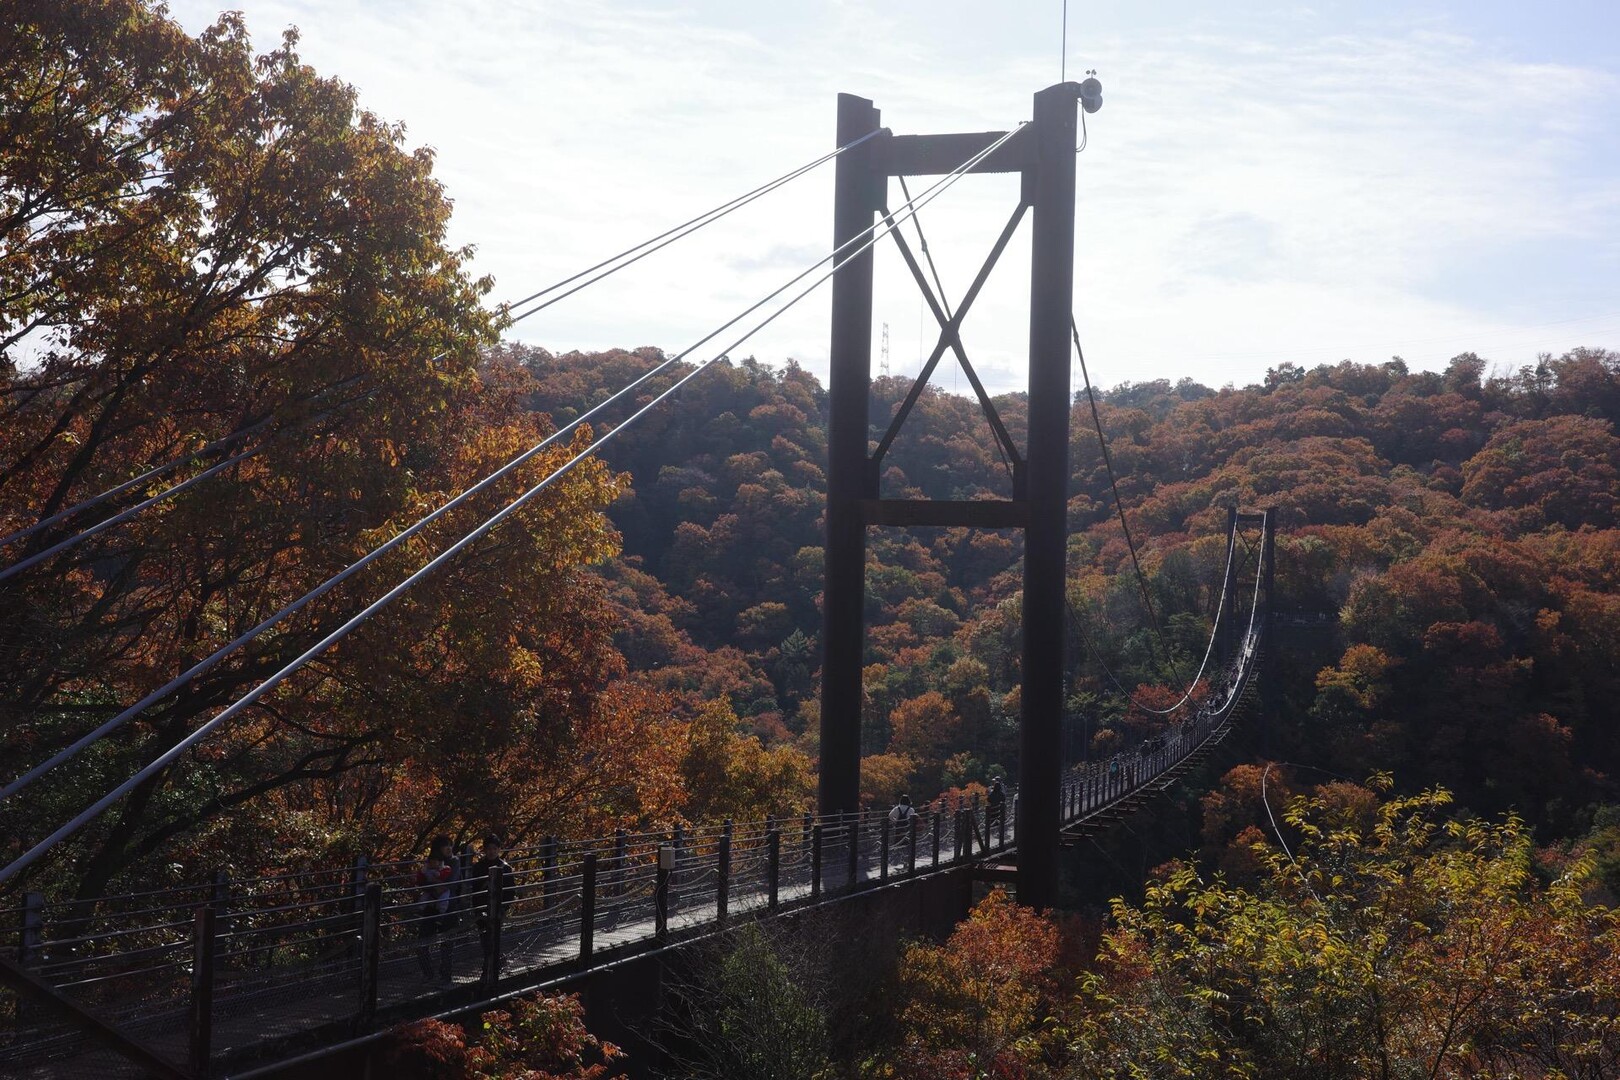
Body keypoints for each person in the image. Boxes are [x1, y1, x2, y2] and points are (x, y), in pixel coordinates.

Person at [414, 835, 456, 984]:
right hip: (431, 907)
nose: (449, 848)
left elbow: (450, 884)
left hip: (448, 908)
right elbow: (422, 881)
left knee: (446, 944)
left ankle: (445, 977)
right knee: (423, 942)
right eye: (445, 846)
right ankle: (429, 974)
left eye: (450, 845)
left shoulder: (454, 862)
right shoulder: (430, 863)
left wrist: (431, 887)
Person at [473, 832, 515, 975]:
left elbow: (510, 892)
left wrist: (503, 908)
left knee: (493, 938)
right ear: (485, 850)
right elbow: (474, 889)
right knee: (485, 938)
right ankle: (493, 964)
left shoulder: (505, 868)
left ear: (498, 849)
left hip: (497, 909)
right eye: (488, 848)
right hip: (482, 908)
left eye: (494, 848)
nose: (491, 851)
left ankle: (489, 968)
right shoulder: (478, 867)